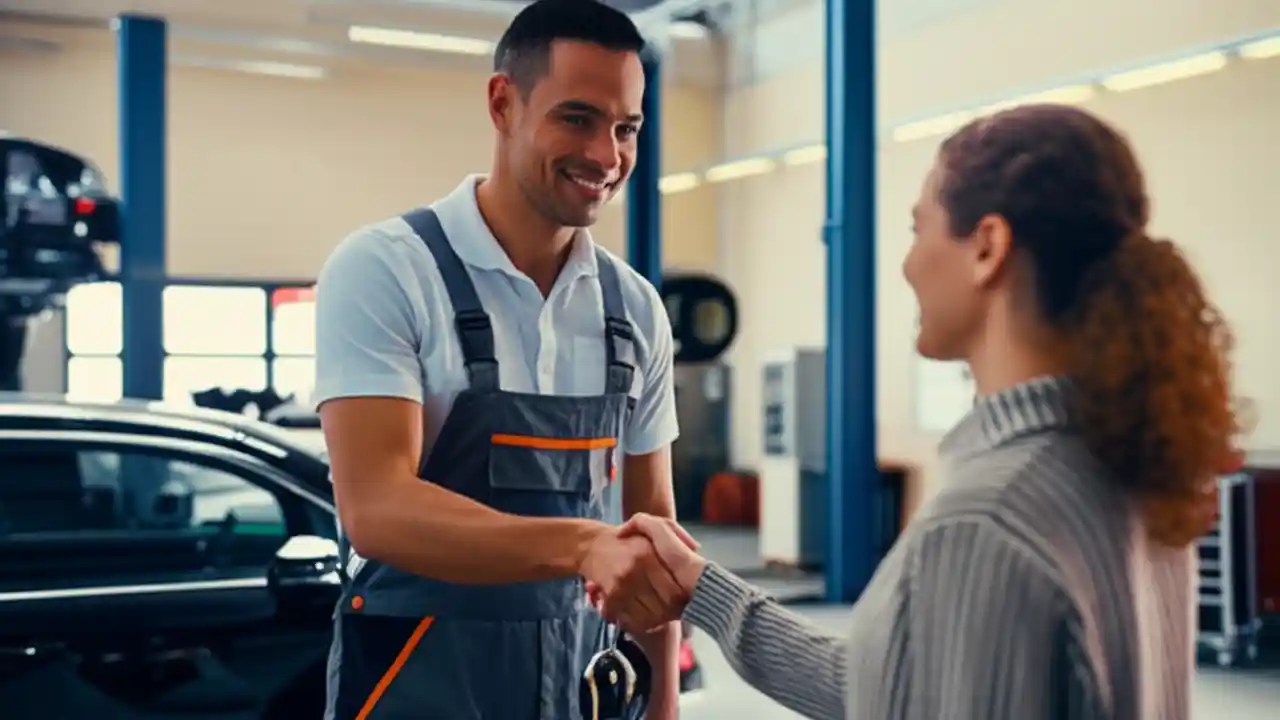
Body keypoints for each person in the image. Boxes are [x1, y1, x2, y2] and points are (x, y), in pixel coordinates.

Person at [596, 104, 1245, 719]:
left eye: (918, 229)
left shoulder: (984, 522)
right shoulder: (1129, 465)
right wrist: (704, 589)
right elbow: (900, 689)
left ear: (987, 247)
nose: (907, 264)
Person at [313, 1, 693, 718]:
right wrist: (583, 545)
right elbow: (378, 507)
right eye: (576, 119)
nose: (607, 157)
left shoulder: (634, 310)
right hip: (417, 691)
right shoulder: (388, 271)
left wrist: (663, 709)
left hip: (577, 692)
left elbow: (652, 537)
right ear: (503, 102)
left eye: (627, 129)